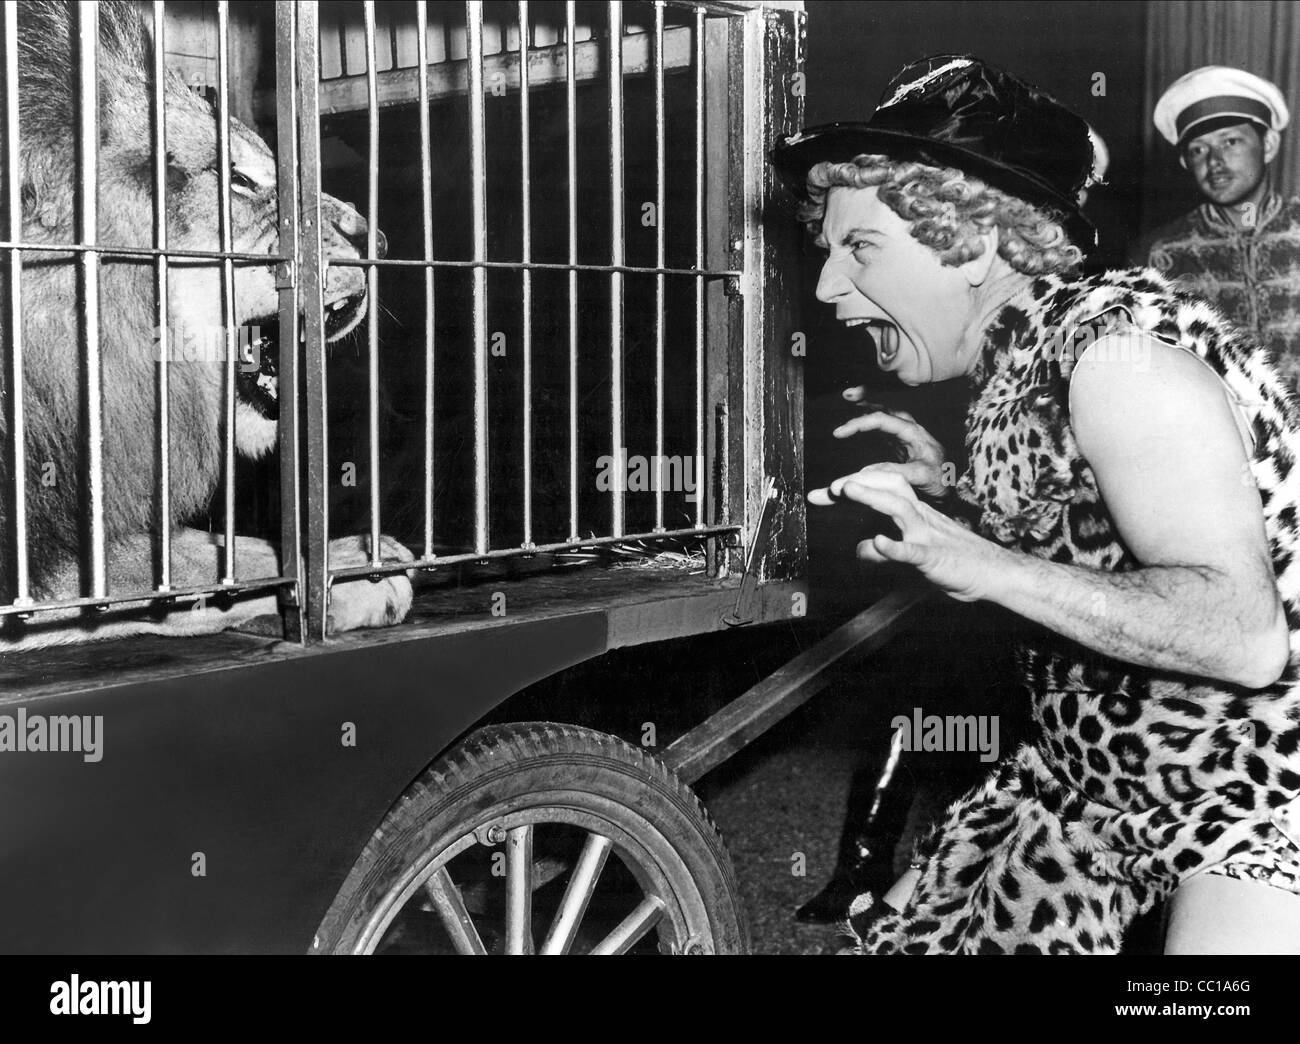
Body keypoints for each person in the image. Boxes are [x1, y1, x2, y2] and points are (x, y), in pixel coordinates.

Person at [771, 54, 1300, 954]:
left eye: (859, 248)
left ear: (971, 245)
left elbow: (1244, 636)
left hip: (1251, 797)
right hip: (1082, 782)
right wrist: (958, 496)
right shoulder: (1026, 360)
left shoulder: (1111, 361)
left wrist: (980, 563)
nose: (826, 286)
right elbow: (1095, 533)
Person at [1132, 66, 1300, 392]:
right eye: (1198, 149)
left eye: (1231, 141)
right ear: (1184, 162)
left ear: (1268, 145)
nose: (1215, 161)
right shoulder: (1160, 254)